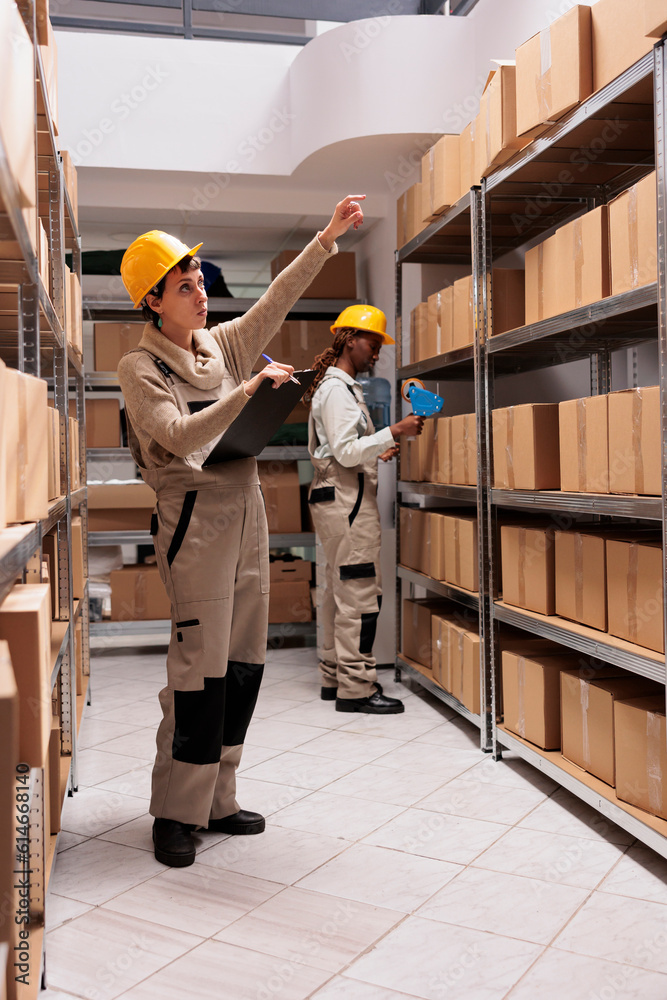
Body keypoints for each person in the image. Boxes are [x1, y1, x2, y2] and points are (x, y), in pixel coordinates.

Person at [117, 196, 365, 868]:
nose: (200, 293)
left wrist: (325, 237)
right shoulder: (141, 370)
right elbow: (177, 434)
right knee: (198, 673)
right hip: (194, 522)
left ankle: (218, 799)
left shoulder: (216, 344)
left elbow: (273, 306)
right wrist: (248, 391)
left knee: (242, 666)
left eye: (200, 281)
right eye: (184, 285)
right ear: (152, 301)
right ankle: (175, 810)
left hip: (246, 511)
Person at [305, 305, 424, 715]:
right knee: (358, 592)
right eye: (372, 344)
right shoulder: (338, 390)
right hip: (348, 505)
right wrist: (396, 429)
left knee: (335, 590)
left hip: (337, 501)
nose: (376, 353)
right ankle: (356, 689)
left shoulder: (339, 386)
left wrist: (377, 448)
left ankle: (333, 675)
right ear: (350, 340)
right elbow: (344, 452)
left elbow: (345, 449)